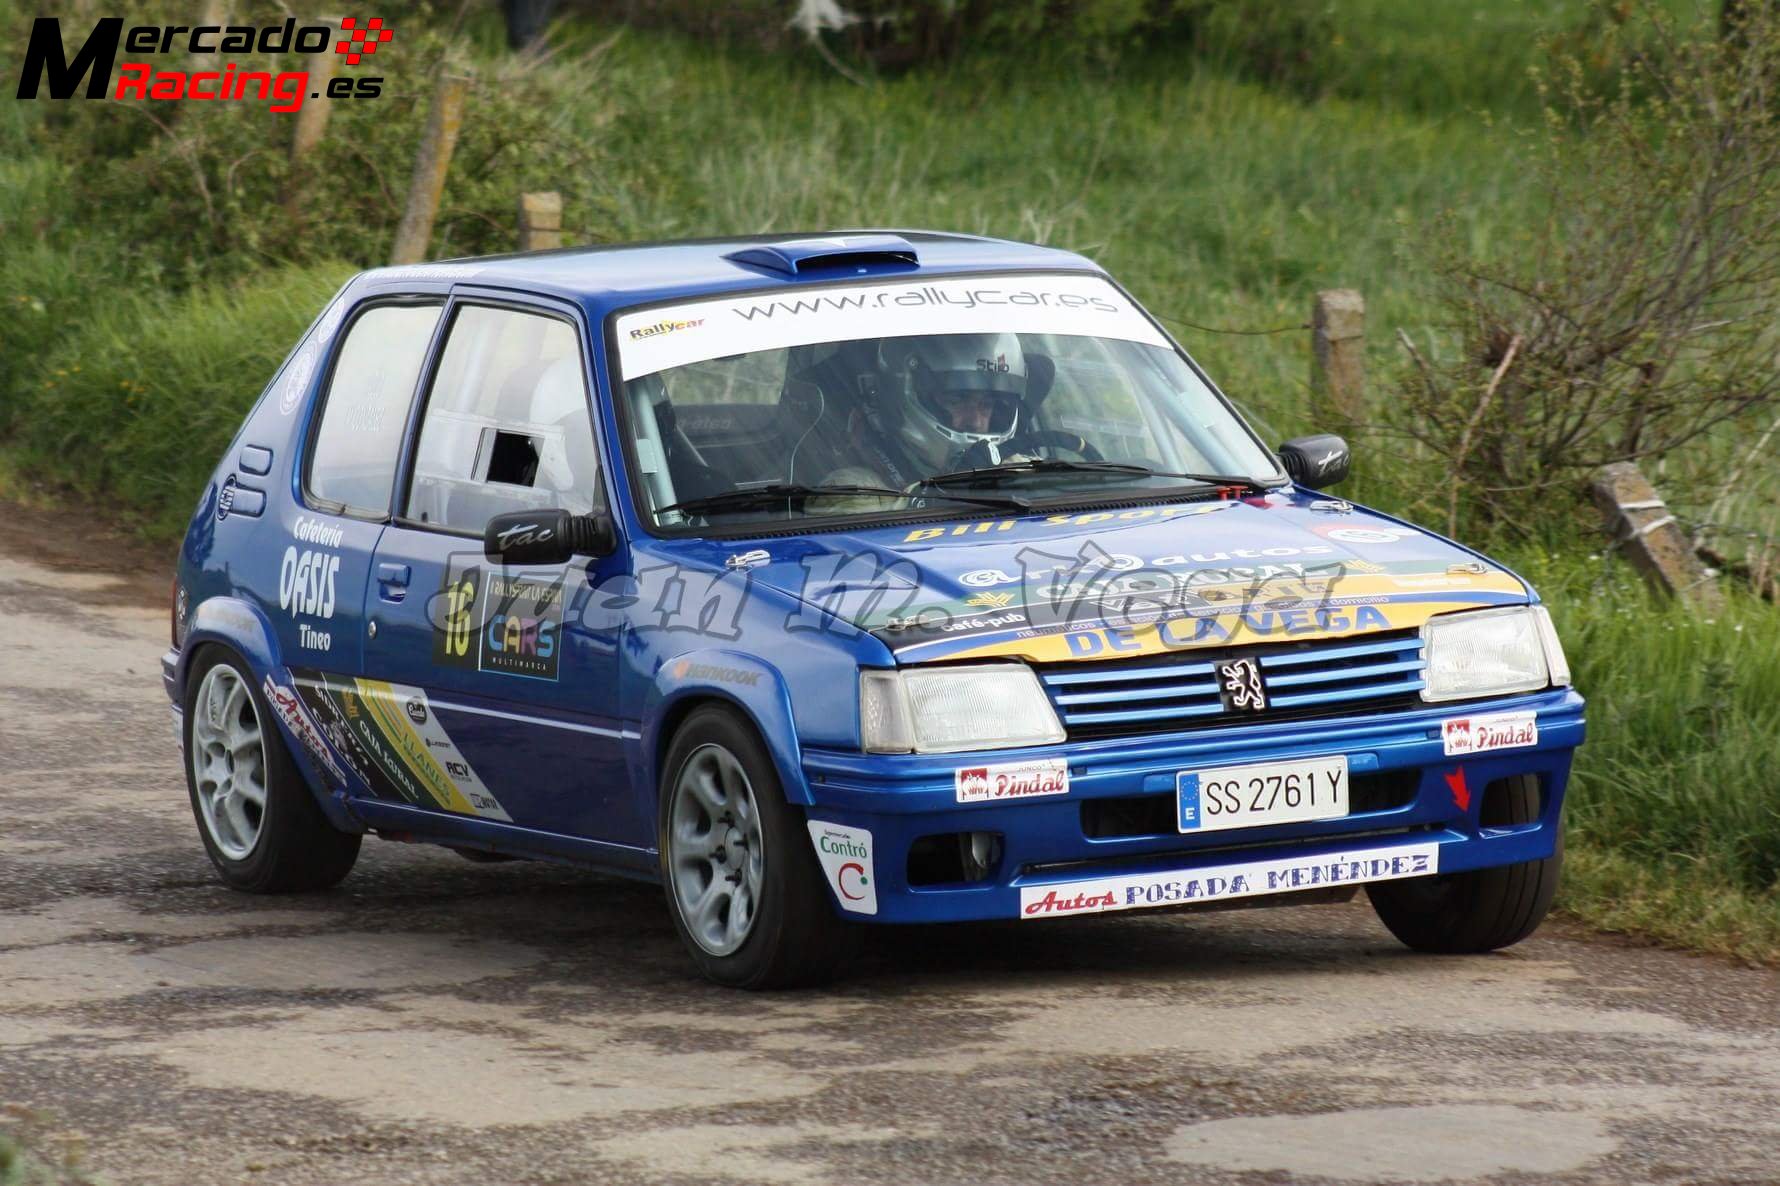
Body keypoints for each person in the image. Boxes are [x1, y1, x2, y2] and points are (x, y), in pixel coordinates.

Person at [816, 332, 1028, 511]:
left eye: (986, 405)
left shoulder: (1017, 470)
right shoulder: (849, 491)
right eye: (956, 400)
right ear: (899, 394)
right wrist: (949, 489)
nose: (975, 422)